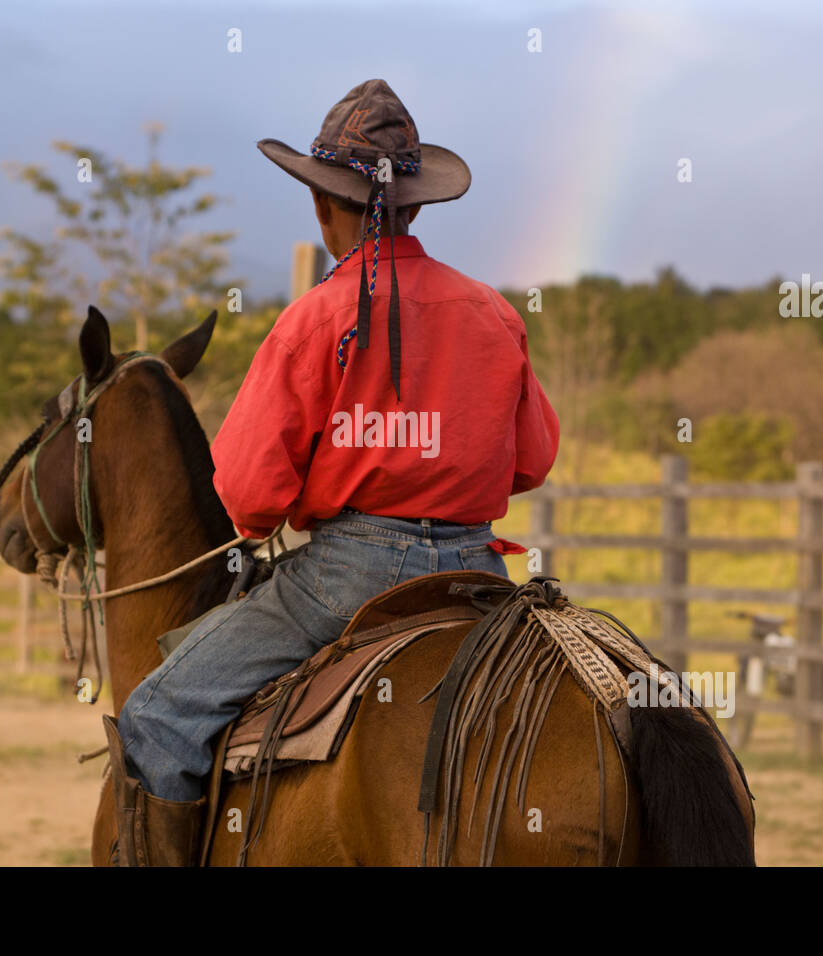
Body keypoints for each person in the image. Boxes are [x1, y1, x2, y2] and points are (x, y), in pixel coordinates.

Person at [108, 78, 559, 865]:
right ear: (416, 206)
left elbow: (248, 494)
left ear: (324, 209)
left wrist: (280, 512)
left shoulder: (313, 318)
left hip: (348, 573)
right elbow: (532, 460)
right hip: (477, 568)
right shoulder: (493, 312)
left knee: (159, 713)